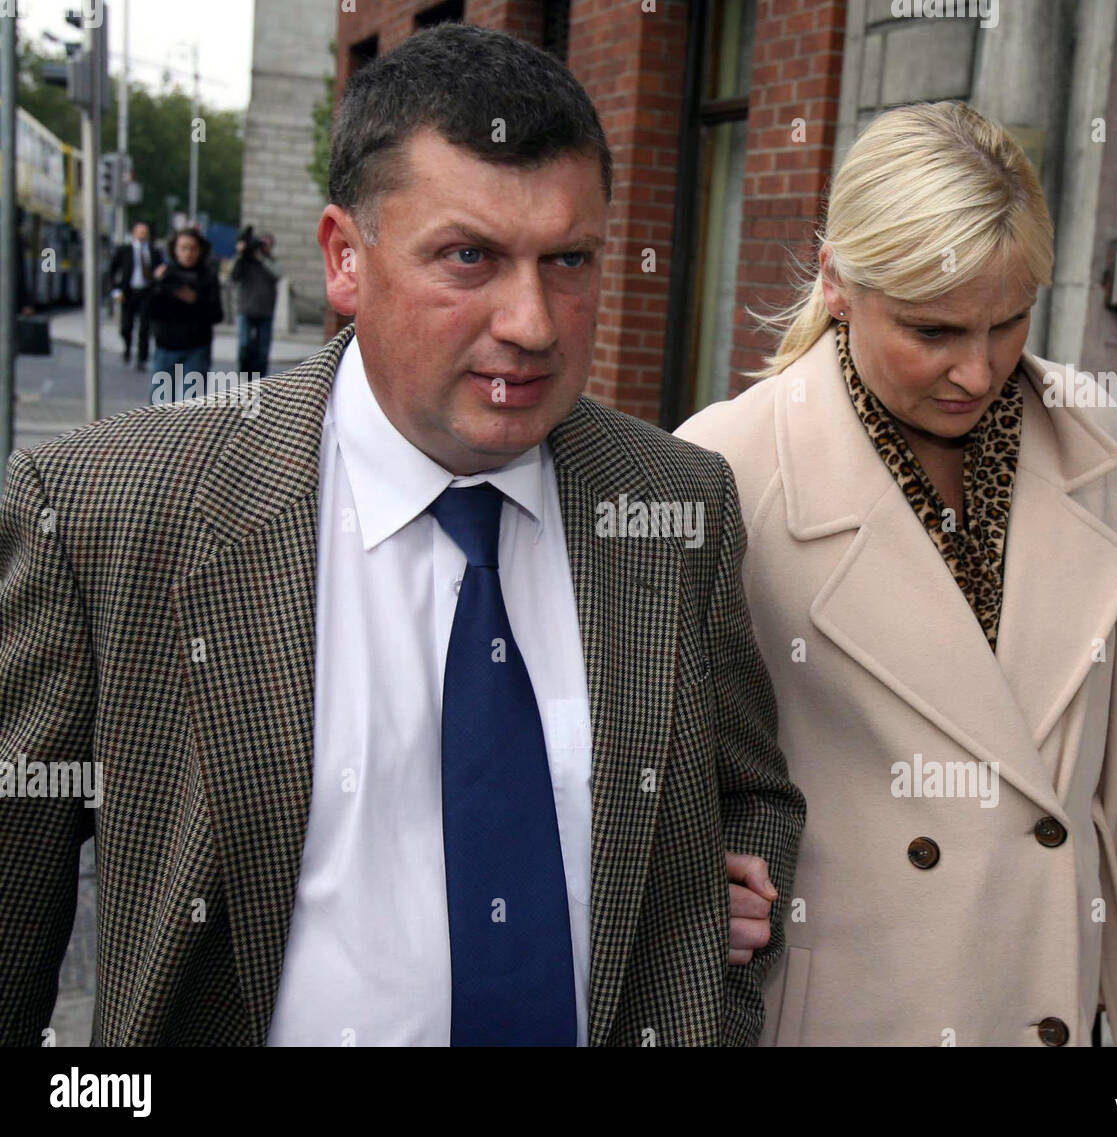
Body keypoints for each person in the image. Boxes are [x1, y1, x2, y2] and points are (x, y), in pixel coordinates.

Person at [0, 23, 803, 1047]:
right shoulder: (109, 514)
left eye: (569, 260)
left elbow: (749, 796)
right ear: (345, 259)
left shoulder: (674, 505)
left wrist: (718, 937)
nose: (533, 322)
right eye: (468, 257)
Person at [677, 101, 1117, 1046]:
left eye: (1010, 322)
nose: (978, 369)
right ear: (837, 281)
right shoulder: (723, 465)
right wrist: (698, 874)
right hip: (856, 1000)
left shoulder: (1089, 432)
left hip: (1044, 983)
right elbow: (663, 768)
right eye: (933, 330)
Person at [144, 227, 224, 387]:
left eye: (193, 249)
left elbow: (217, 314)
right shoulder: (165, 274)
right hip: (166, 346)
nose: (188, 254)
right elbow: (149, 310)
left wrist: (196, 300)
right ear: (175, 250)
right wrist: (157, 285)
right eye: (183, 248)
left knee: (191, 402)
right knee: (161, 402)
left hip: (196, 347)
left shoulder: (207, 276)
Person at [109, 221, 162, 369]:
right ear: (134, 233)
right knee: (126, 325)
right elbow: (113, 271)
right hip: (128, 292)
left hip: (147, 292)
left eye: (145, 232)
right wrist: (116, 290)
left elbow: (159, 271)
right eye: (140, 232)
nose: (143, 235)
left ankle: (142, 358)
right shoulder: (124, 250)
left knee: (145, 327)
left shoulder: (154, 252)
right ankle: (127, 348)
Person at [230, 226, 280, 377]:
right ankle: (244, 374)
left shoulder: (272, 262)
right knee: (244, 344)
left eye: (266, 244)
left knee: (262, 349)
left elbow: (278, 274)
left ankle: (259, 378)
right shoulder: (245, 261)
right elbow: (233, 276)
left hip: (265, 311)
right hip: (245, 309)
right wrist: (240, 254)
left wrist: (262, 259)